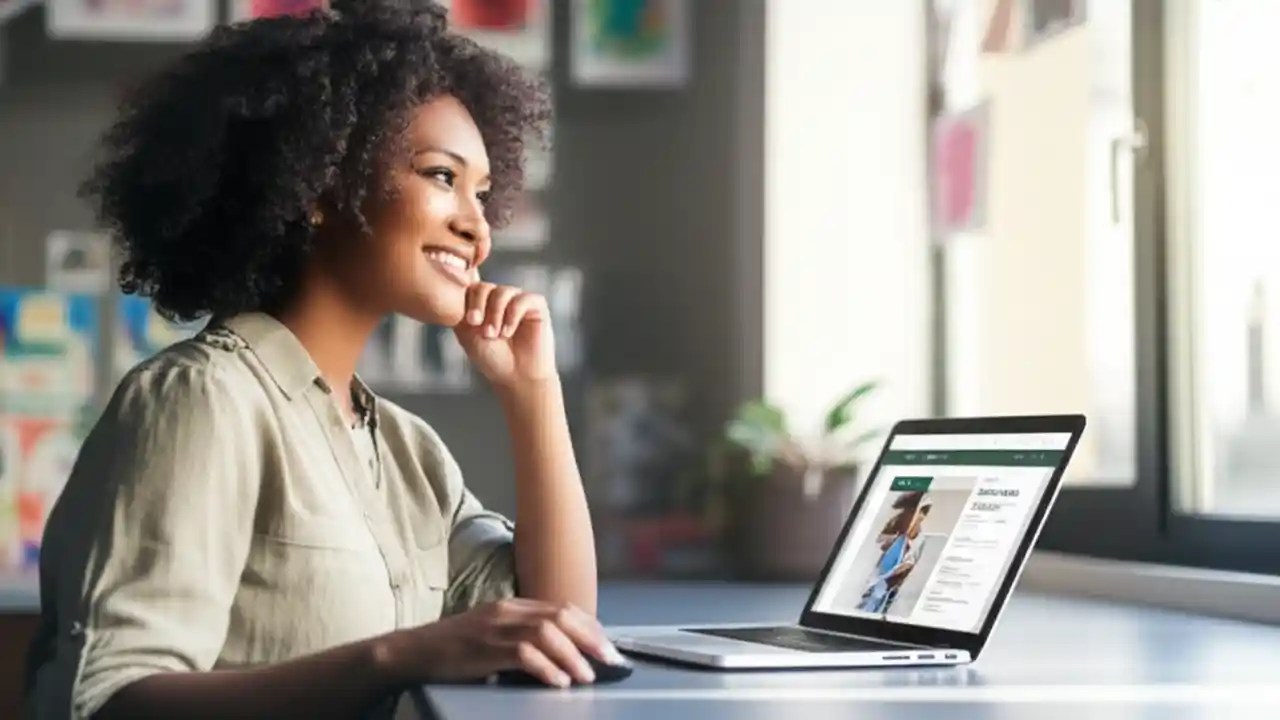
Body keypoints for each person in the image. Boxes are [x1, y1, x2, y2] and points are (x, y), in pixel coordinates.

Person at [22, 3, 620, 718]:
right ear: (319, 189)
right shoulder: (202, 401)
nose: (477, 226)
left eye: (484, 195)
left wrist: (533, 394)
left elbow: (555, 629)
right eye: (441, 176)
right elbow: (110, 701)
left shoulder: (407, 452)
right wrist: (400, 657)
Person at [856, 497, 932, 614]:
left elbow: (908, 563)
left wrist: (885, 577)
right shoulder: (900, 533)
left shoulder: (919, 540)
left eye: (915, 513)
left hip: (887, 584)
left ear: (921, 515)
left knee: (874, 604)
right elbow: (879, 540)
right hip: (877, 577)